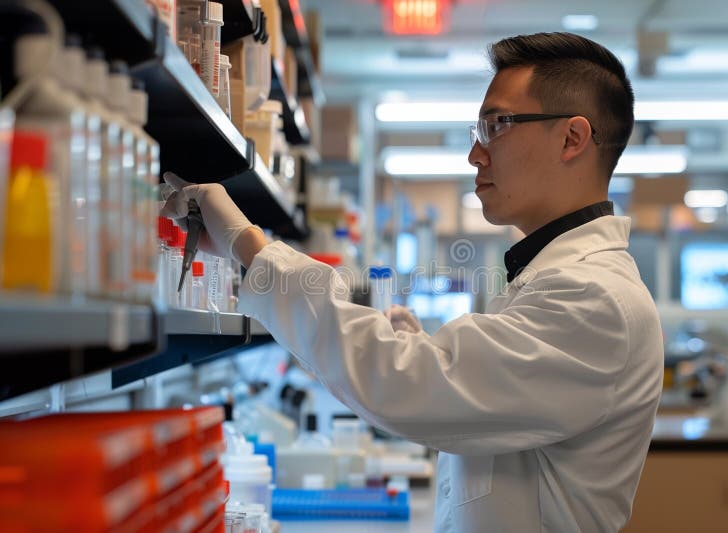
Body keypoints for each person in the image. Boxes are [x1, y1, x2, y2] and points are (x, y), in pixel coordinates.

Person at [163, 32, 664, 533]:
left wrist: (247, 244)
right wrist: (419, 347)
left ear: (572, 139)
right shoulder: (558, 279)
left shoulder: (593, 298)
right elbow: (476, 404)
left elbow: (405, 384)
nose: (475, 153)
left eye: (496, 125)